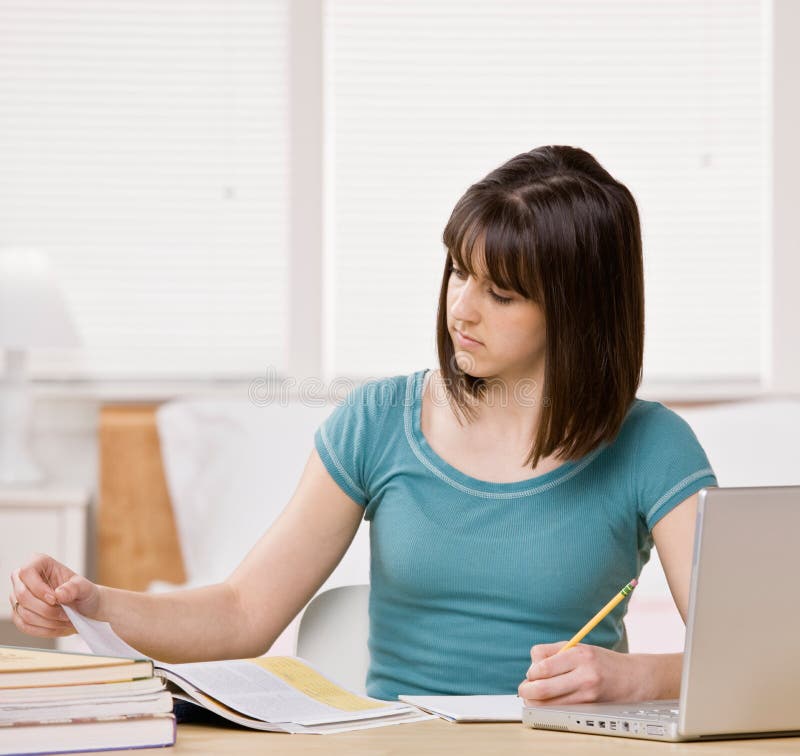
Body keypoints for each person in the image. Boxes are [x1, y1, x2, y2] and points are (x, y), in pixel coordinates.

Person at [9, 145, 716, 705]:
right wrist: (95, 605)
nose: (462, 308)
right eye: (458, 272)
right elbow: (241, 613)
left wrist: (638, 679)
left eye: (500, 293)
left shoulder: (653, 447)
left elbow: (755, 660)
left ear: (579, 311)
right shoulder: (379, 422)